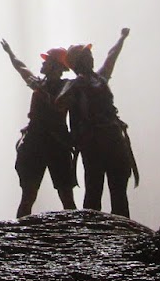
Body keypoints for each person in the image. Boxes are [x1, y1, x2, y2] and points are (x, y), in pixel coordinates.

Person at [57, 28, 137, 217]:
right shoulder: (75, 84)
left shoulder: (98, 78)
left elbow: (111, 56)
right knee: (94, 189)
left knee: (118, 188)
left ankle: (121, 230)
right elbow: (60, 102)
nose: (92, 58)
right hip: (94, 141)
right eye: (88, 55)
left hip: (111, 137)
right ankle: (92, 233)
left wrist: (121, 38)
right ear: (80, 61)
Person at [0, 39, 78, 216]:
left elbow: (59, 103)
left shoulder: (66, 86)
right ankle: (21, 233)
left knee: (64, 196)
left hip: (52, 142)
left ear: (56, 66)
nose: (43, 63)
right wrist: (10, 52)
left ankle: (74, 232)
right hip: (42, 142)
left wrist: (42, 91)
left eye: (47, 61)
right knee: (30, 195)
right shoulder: (41, 84)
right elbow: (22, 68)